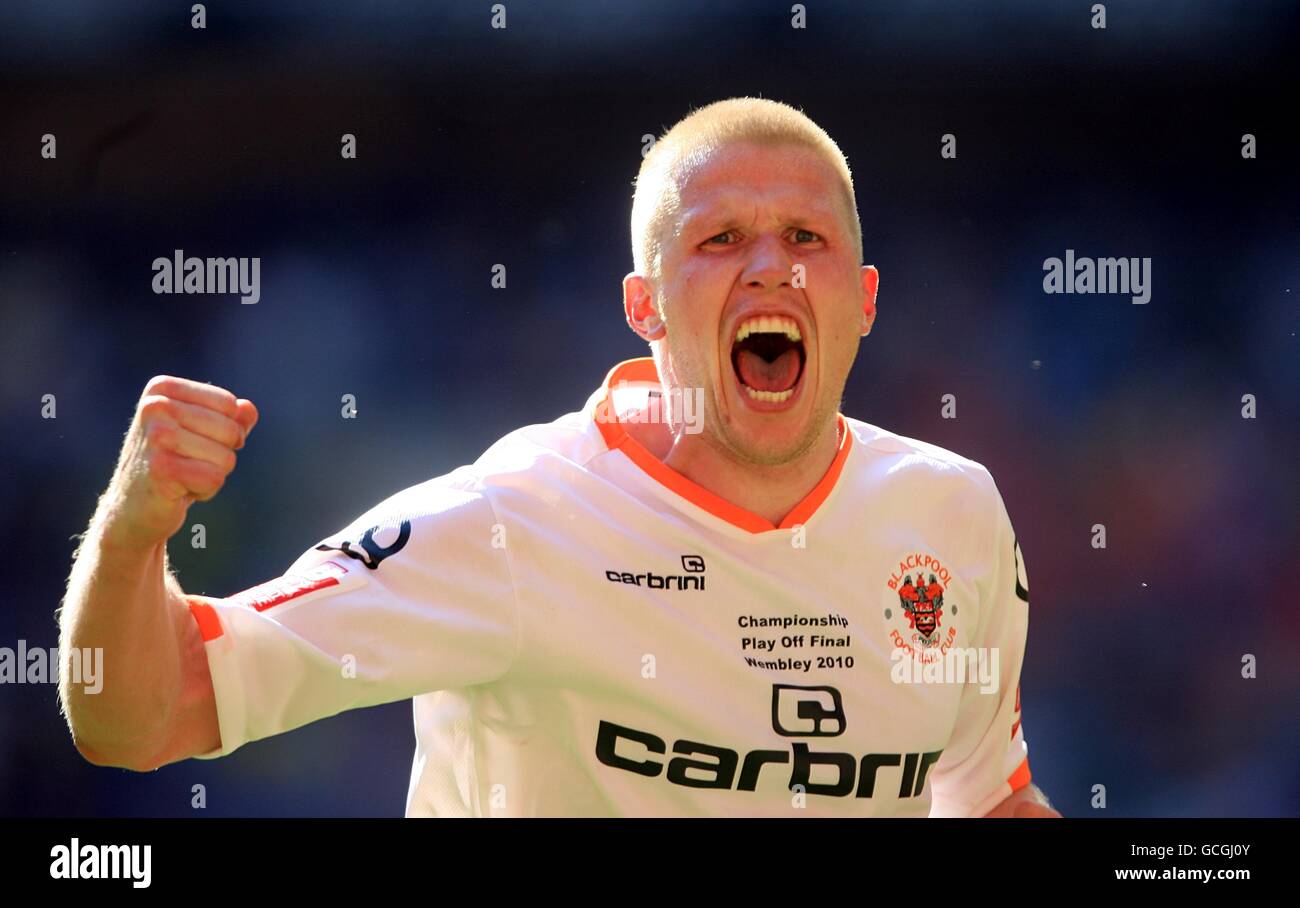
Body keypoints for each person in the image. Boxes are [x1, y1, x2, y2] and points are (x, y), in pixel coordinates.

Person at [59, 97, 1058, 817]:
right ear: (642, 305)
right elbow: (136, 718)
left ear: (865, 298)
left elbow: (989, 796)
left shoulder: (950, 513)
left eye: (806, 235)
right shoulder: (509, 522)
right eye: (719, 239)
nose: (770, 263)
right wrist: (134, 523)